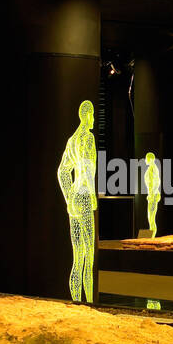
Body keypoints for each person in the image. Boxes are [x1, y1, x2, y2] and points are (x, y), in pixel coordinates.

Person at [57, 100, 97, 303]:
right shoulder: (87, 138)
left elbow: (62, 170)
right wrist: (91, 195)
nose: (94, 119)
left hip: (74, 197)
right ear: (86, 115)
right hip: (83, 196)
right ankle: (89, 303)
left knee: (77, 256)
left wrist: (68, 198)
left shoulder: (72, 140)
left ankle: (76, 303)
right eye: (92, 115)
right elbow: (87, 169)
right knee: (89, 257)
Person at [143, 151, 161, 238]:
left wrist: (151, 194)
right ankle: (152, 237)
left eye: (146, 159)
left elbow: (153, 183)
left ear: (150, 159)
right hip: (153, 195)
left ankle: (152, 238)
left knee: (151, 218)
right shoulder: (153, 168)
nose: (145, 160)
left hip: (153, 196)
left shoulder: (152, 168)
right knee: (151, 218)